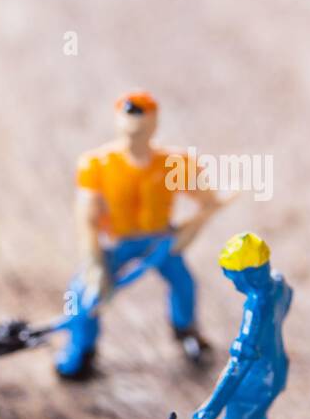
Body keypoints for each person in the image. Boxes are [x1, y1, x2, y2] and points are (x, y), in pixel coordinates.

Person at [56, 92, 223, 380]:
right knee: (83, 293)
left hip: (160, 240)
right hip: (115, 243)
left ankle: (186, 331)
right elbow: (87, 219)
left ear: (154, 125)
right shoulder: (97, 164)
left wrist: (193, 226)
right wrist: (95, 262)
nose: (136, 131)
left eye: (143, 124)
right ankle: (81, 347)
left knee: (184, 283)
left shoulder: (174, 163)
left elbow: (207, 202)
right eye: (130, 122)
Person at [187, 233, 292, 419]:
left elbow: (238, 364)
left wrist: (211, 407)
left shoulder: (254, 310)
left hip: (257, 379)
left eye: (233, 277)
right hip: (278, 369)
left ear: (248, 275)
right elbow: (288, 301)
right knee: (257, 416)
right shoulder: (280, 285)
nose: (232, 283)